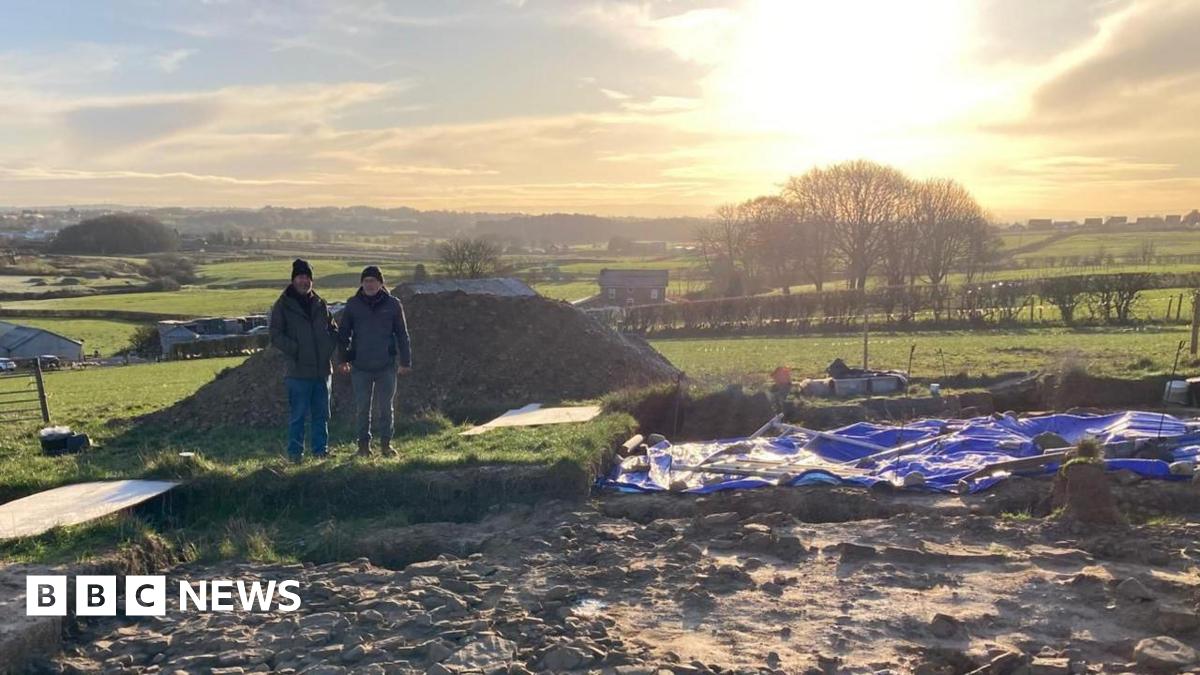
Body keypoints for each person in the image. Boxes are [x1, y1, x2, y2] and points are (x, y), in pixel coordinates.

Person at [338, 265, 412, 457]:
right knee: (363, 409)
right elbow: (344, 333)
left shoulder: (393, 304)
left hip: (386, 366)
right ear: (361, 283)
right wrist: (343, 359)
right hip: (360, 366)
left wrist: (406, 361)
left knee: (386, 408)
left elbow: (402, 334)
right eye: (366, 281)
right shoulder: (353, 304)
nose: (369, 284)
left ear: (381, 283)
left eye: (373, 281)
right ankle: (363, 448)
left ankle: (386, 446)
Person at [270, 259, 339, 462]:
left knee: (322, 416)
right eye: (300, 277)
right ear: (293, 279)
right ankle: (295, 456)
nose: (304, 281)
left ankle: (320, 452)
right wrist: (297, 350)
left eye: (307, 277)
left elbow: (333, 329)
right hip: (297, 372)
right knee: (298, 417)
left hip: (322, 371)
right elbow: (275, 335)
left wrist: (327, 347)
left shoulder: (320, 303)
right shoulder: (282, 305)